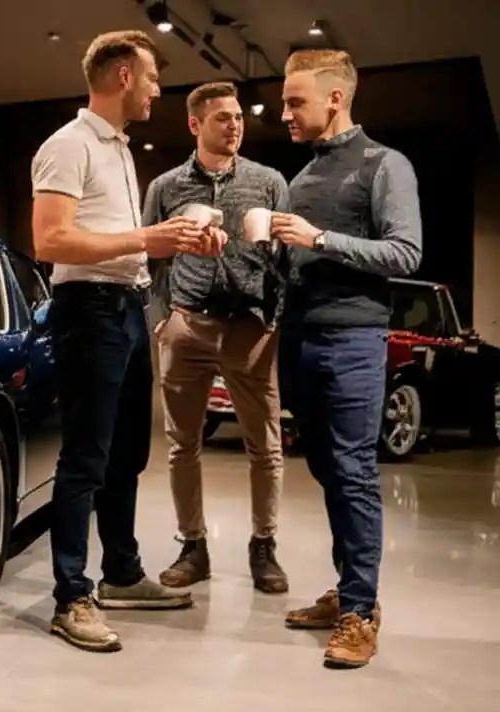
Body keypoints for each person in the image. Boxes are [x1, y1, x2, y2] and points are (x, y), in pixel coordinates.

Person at [30, 29, 222, 653]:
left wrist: (166, 242)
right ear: (122, 77)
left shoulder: (116, 148)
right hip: (88, 311)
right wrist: (145, 239)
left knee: (125, 456)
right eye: (152, 78)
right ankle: (69, 597)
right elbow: (50, 242)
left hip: (127, 309)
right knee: (84, 458)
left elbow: (113, 237)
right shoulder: (68, 145)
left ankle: (120, 574)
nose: (157, 90)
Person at [272, 49, 422, 669]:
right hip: (299, 339)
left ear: (335, 98)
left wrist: (319, 239)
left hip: (355, 342)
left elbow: (406, 252)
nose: (283, 113)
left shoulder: (386, 165)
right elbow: (299, 264)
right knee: (329, 471)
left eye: (294, 101)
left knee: (354, 472)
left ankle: (361, 610)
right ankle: (348, 589)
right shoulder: (303, 179)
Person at [142, 81, 292, 595]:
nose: (235, 125)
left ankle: (264, 544)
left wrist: (274, 316)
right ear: (195, 124)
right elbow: (148, 259)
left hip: (250, 327)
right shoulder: (166, 187)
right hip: (187, 326)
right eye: (223, 118)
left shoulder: (269, 181)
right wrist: (160, 318)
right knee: (183, 445)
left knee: (265, 446)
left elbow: (289, 261)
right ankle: (193, 545)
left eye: (238, 117)